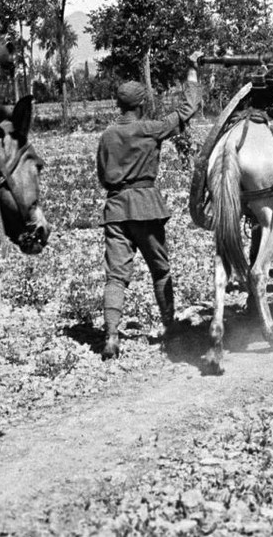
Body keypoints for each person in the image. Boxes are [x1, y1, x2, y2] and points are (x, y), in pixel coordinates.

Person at [98, 62, 203, 360]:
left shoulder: (107, 135)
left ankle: (111, 337)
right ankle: (170, 327)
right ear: (142, 104)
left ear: (119, 104)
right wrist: (191, 74)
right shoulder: (151, 129)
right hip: (146, 207)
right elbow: (186, 112)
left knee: (115, 277)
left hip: (116, 209)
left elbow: (103, 175)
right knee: (160, 270)